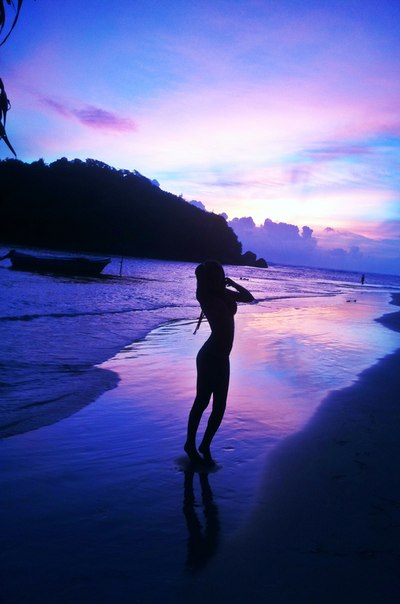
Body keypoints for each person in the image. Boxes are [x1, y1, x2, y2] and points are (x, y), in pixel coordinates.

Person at [184, 260, 254, 466]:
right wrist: (208, 274)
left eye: (222, 273)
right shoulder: (205, 295)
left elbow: (249, 298)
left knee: (220, 406)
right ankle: (190, 444)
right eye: (218, 274)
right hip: (209, 356)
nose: (221, 276)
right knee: (202, 401)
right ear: (211, 277)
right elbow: (199, 271)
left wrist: (233, 283)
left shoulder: (224, 293)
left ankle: (205, 444)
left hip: (223, 357)